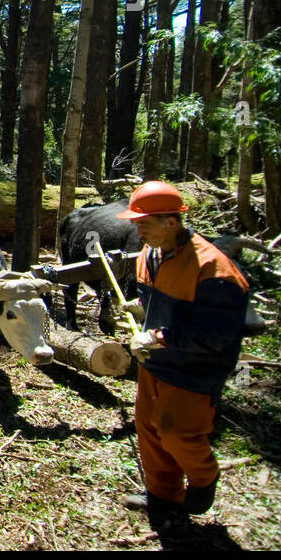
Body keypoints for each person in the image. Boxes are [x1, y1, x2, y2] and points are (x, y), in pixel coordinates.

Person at [115, 180, 249, 521]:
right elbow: (157, 301)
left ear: (170, 222)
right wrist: (140, 310)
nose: (137, 229)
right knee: (149, 430)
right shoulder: (149, 254)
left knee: (177, 433)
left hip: (194, 369)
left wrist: (157, 337)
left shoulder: (214, 270)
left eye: (143, 222)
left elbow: (214, 335)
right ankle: (163, 498)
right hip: (156, 363)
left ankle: (204, 478)